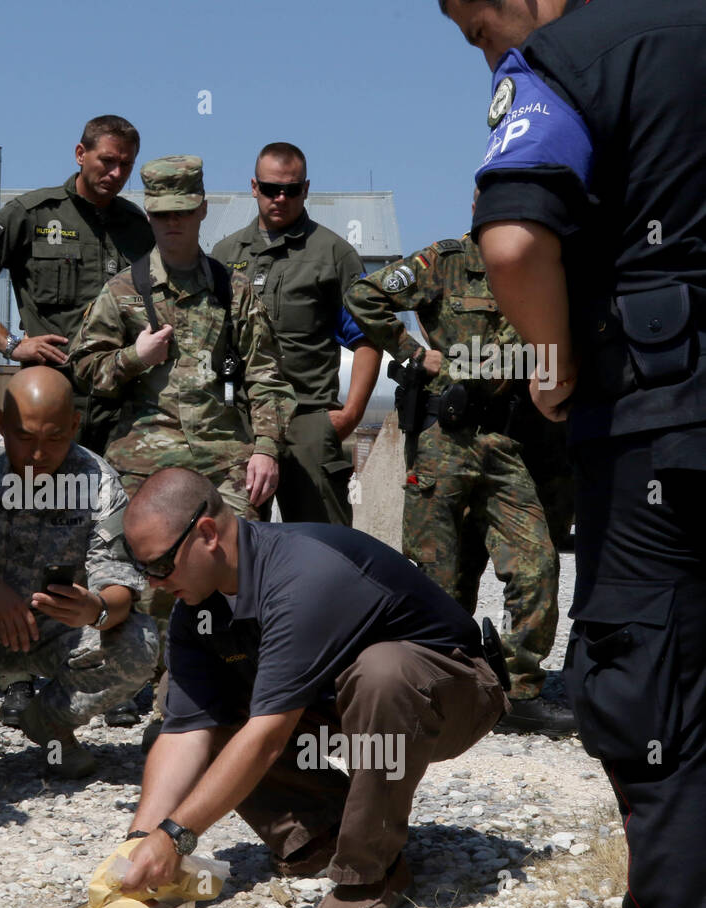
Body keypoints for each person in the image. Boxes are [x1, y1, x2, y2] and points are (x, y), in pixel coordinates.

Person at [442, 0, 706, 908]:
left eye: (479, 33)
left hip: (661, 429)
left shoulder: (572, 55)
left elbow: (513, 241)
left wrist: (550, 361)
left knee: (655, 702)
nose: (490, 57)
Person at [118, 468, 507, 908]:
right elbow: (185, 730)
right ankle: (321, 830)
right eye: (142, 570)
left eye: (160, 565)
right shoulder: (195, 610)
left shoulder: (302, 573)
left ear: (206, 534)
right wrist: (140, 840)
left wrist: (176, 837)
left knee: (382, 671)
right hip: (343, 706)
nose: (153, 583)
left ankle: (370, 869)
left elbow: (265, 738)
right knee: (196, 698)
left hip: (452, 694)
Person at [0, 115, 154, 729]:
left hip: (117, 408)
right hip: (47, 409)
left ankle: (99, 675)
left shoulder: (138, 228)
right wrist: (10, 342)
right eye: (104, 160)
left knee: (110, 537)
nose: (114, 173)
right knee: (25, 534)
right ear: (80, 153)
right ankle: (16, 673)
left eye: (124, 165)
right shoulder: (33, 212)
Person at [69, 155, 295, 737]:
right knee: (145, 577)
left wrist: (266, 446)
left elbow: (265, 376)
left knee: (228, 573)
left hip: (222, 458)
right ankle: (132, 680)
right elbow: (83, 369)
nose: (172, 224)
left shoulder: (233, 290)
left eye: (182, 212)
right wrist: (130, 359)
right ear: (150, 214)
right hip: (145, 461)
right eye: (161, 213)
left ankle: (192, 703)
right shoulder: (123, 291)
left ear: (201, 211)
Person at [344, 234, 574, 735]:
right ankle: (438, 687)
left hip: (506, 439)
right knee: (439, 576)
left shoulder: (542, 268)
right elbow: (363, 295)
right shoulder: (445, 262)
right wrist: (412, 353)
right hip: (442, 438)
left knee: (537, 561)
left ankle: (518, 691)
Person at [0, 366, 157, 794]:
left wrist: (96, 609)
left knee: (139, 640)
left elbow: (119, 582)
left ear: (75, 425)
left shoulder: (97, 481)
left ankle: (48, 723)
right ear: (1, 424)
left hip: (58, 629)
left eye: (55, 438)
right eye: (25, 437)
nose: (39, 454)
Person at [211, 142, 381, 526]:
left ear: (307, 189)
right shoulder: (224, 254)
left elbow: (369, 337)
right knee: (233, 550)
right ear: (254, 187)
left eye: (292, 189)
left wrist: (349, 415)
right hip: (241, 422)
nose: (281, 198)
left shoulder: (334, 254)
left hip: (307, 419)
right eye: (271, 189)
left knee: (323, 550)